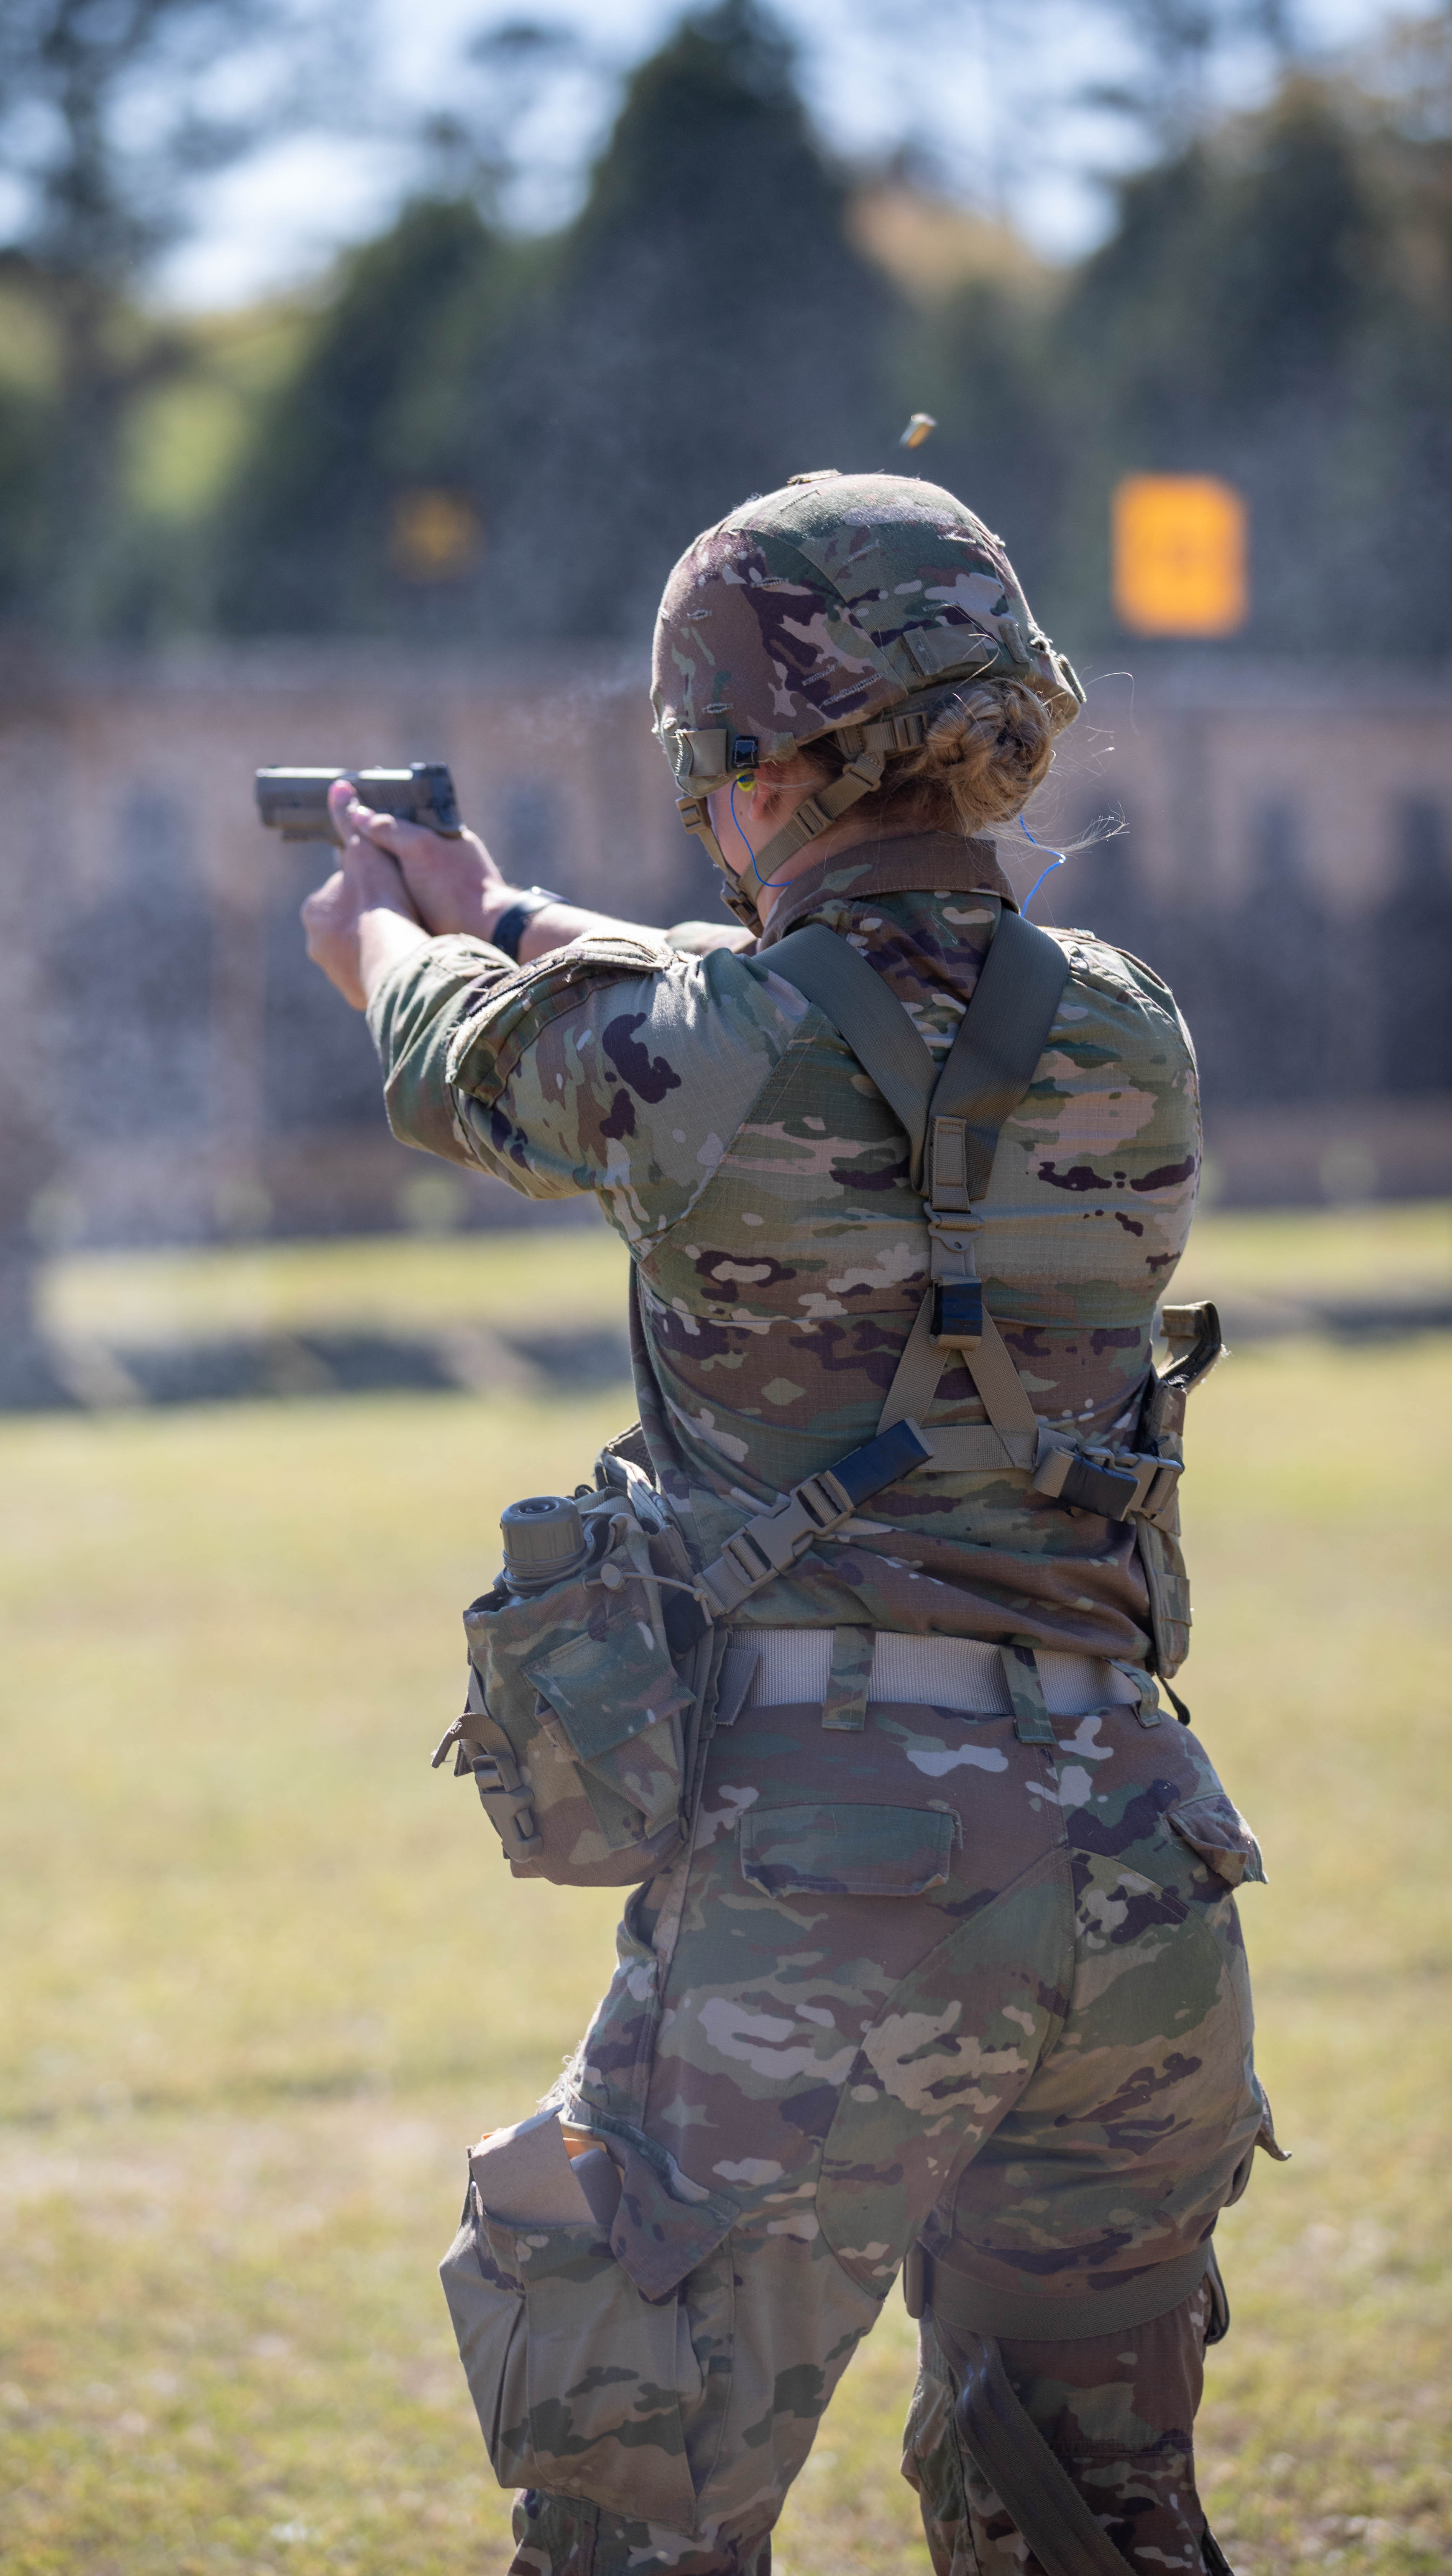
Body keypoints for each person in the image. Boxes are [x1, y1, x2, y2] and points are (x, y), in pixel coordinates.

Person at [300, 471, 1281, 2576]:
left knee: (637, 2523)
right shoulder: (1125, 1024)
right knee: (1089, 2526)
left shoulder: (702, 1051)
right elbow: (798, 1008)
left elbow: (470, 1055)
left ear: (742, 756)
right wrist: (513, 905)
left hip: (836, 1887)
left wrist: (389, 932)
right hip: (1140, 1868)